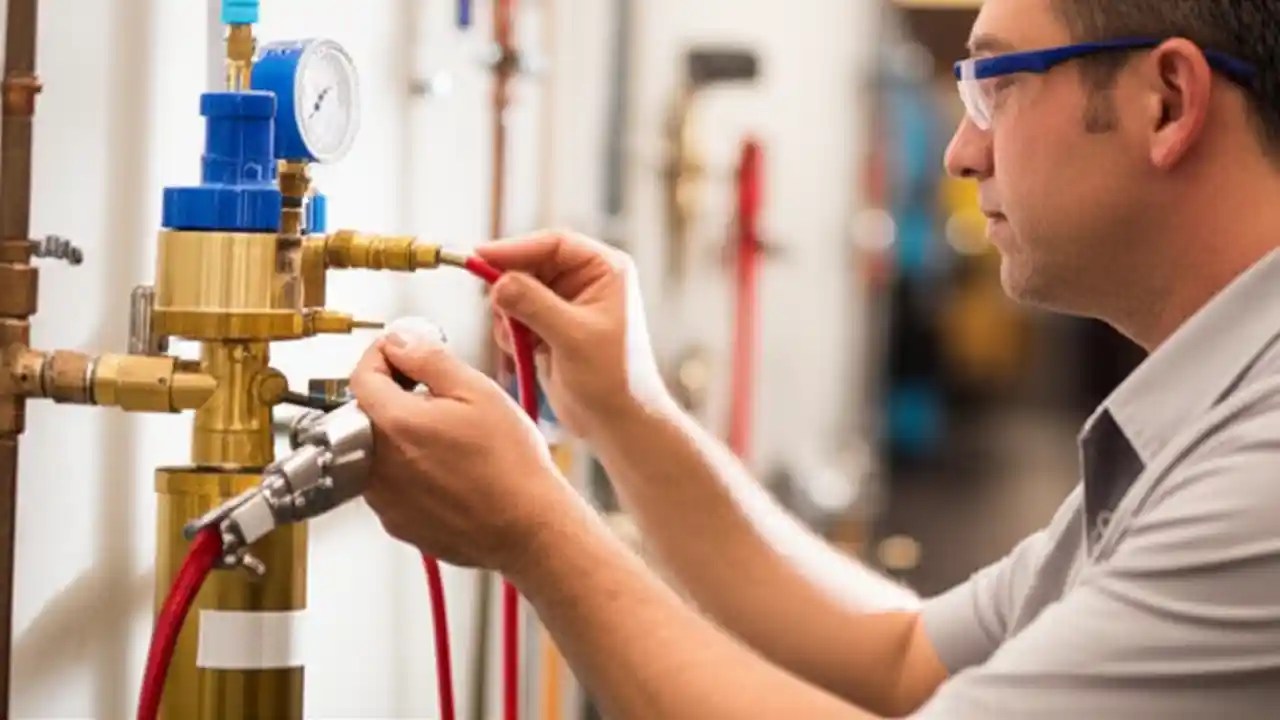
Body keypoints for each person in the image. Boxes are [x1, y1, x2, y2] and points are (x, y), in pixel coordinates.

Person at [349, 0, 1280, 716]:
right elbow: (899, 656)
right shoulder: (1205, 418)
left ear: (1166, 102)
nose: (963, 151)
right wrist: (629, 415)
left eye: (998, 85)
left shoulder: (1260, 470)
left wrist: (535, 532)